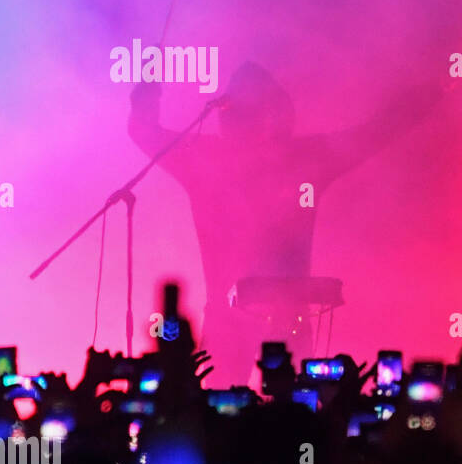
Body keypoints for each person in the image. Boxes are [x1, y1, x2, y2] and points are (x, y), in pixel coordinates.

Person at [128, 62, 442, 383]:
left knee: (241, 406)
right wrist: (145, 98)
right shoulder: (220, 160)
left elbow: (374, 133)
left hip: (274, 313)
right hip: (239, 316)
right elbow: (374, 132)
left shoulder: (272, 159)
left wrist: (145, 98)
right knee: (266, 405)